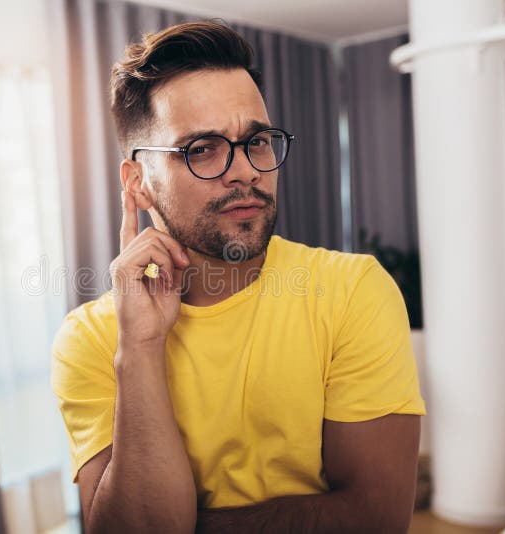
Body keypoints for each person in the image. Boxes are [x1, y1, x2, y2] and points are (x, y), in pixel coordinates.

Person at [51, 20, 426, 534]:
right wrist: (138, 348)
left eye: (258, 141)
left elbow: (376, 519)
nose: (246, 169)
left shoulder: (352, 291)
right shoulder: (90, 340)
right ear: (138, 183)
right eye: (202, 148)